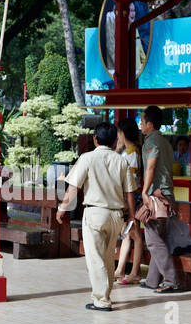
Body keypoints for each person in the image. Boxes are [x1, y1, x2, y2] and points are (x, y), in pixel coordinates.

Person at [56, 122, 136, 311]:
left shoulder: (87, 158)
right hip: (116, 215)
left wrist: (62, 208)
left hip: (95, 213)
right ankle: (105, 294)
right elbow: (130, 192)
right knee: (108, 257)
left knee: (95, 259)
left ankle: (101, 300)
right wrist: (132, 216)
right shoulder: (121, 161)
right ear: (115, 141)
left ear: (95, 139)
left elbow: (74, 187)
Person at [139, 105, 181, 293]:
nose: (140, 125)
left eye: (142, 121)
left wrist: (144, 191)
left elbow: (151, 166)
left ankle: (171, 279)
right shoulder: (165, 141)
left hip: (156, 194)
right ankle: (152, 280)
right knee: (158, 238)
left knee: (153, 239)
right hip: (167, 194)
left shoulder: (151, 141)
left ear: (149, 123)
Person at [112, 118, 145, 285]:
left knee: (135, 234)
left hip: (131, 199)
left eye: (118, 133)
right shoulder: (132, 152)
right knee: (127, 233)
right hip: (132, 197)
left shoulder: (130, 154)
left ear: (123, 133)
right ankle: (120, 269)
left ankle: (134, 272)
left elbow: (129, 183)